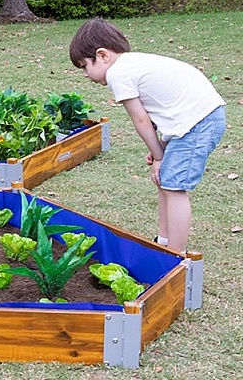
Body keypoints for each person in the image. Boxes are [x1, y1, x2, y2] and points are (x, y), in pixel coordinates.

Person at [69, 18, 226, 253]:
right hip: (194, 118)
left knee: (174, 186)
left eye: (84, 66)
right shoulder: (132, 63)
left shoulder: (118, 73)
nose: (85, 74)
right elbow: (162, 109)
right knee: (165, 179)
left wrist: (158, 155)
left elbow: (140, 119)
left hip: (199, 122)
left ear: (102, 55)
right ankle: (163, 242)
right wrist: (160, 149)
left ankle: (176, 256)